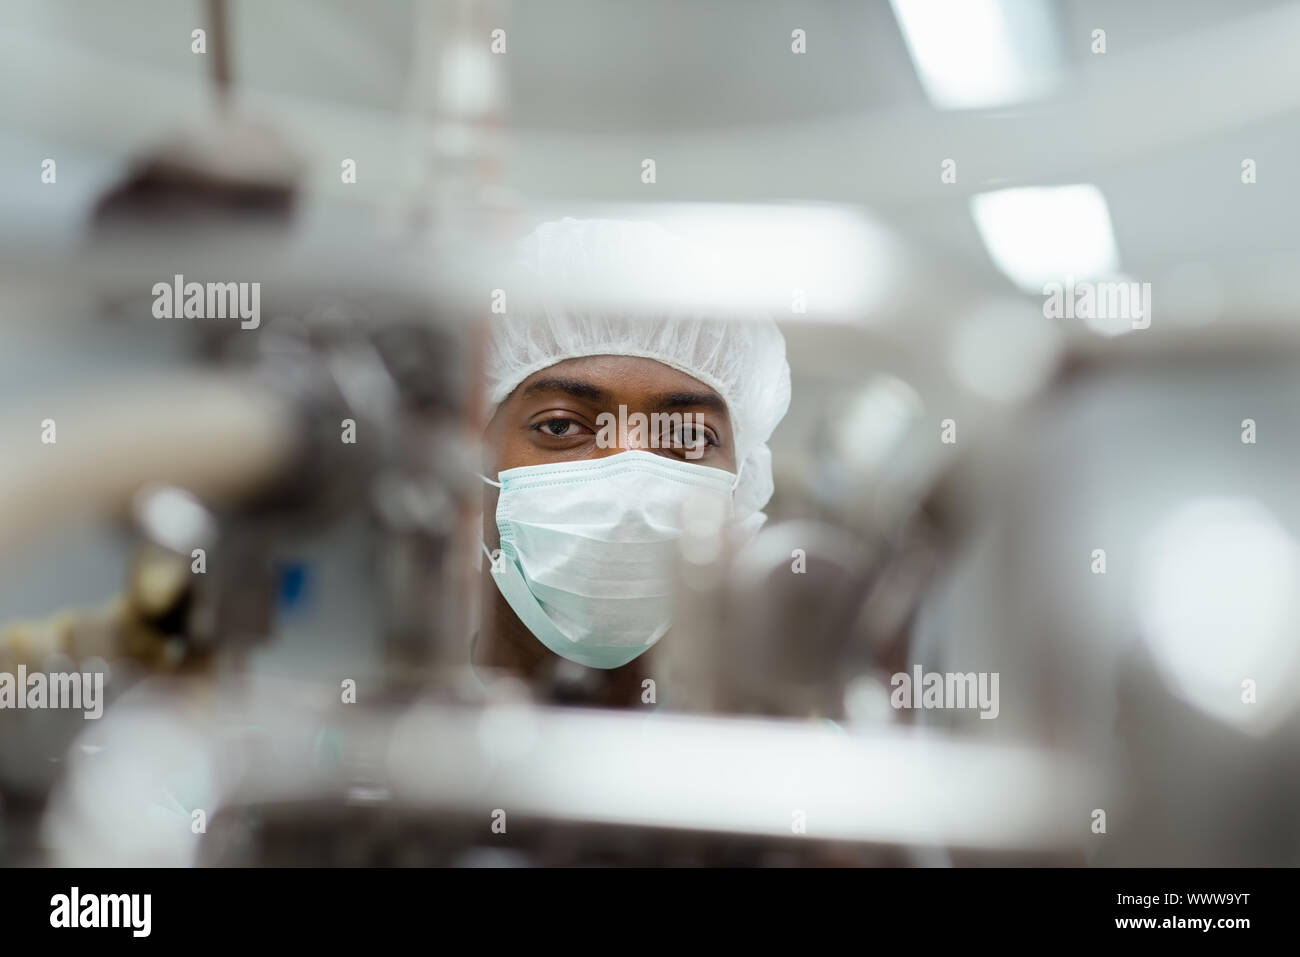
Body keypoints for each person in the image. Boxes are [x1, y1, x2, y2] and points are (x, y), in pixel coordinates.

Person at [471, 218, 791, 707]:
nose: (630, 486)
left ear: (744, 481)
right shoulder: (387, 751)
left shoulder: (779, 764)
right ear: (473, 458)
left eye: (686, 435)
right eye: (561, 426)